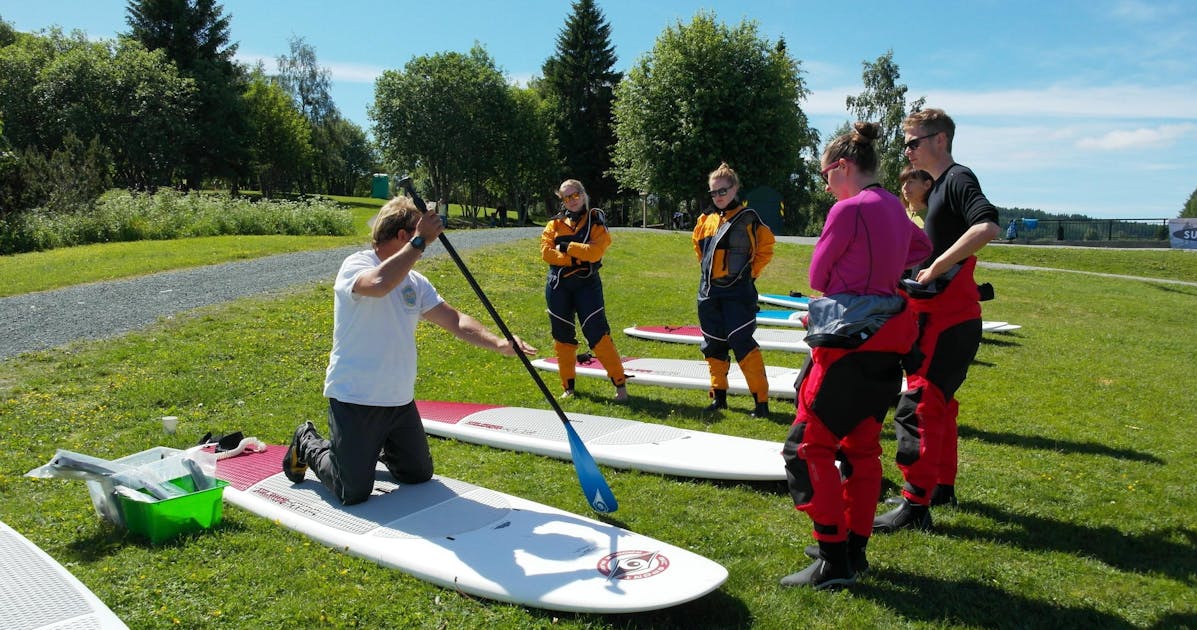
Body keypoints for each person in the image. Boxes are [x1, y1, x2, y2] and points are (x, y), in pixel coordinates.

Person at [282, 196, 538, 505]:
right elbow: (378, 284)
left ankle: (366, 448)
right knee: (352, 491)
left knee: (417, 473)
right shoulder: (358, 264)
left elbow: (454, 319)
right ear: (404, 235)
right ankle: (307, 440)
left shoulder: (415, 282)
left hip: (398, 400)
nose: (426, 245)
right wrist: (420, 240)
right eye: (419, 236)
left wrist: (498, 342)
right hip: (355, 398)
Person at [779, 123, 931, 589]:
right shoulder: (892, 204)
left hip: (848, 343)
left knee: (807, 448)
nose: (826, 187)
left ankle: (833, 559)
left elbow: (819, 273)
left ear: (843, 167)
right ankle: (854, 549)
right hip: (889, 339)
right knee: (862, 448)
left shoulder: (849, 208)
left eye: (826, 177)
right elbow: (922, 248)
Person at [873, 108, 1000, 532]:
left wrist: (936, 266)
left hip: (951, 320)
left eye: (912, 142)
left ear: (939, 139)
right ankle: (940, 487)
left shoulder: (959, 179)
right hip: (940, 317)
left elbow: (987, 226)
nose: (906, 150)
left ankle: (915, 506)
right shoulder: (940, 187)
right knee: (940, 408)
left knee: (920, 407)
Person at [692, 162, 776, 417]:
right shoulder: (705, 220)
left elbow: (766, 248)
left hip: (738, 295)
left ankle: (761, 402)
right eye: (713, 193)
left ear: (735, 188)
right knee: (714, 345)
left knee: (742, 344)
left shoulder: (749, 219)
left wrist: (750, 274)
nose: (718, 197)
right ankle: (719, 397)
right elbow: (699, 249)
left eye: (723, 191)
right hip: (709, 294)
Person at [541, 179, 629, 402]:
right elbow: (546, 253)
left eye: (574, 195)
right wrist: (573, 259)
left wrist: (566, 246)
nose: (571, 201)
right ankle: (568, 387)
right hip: (558, 285)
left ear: (583, 193)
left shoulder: (595, 221)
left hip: (587, 285)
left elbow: (595, 253)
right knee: (562, 337)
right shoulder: (554, 224)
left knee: (598, 335)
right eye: (565, 197)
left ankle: (620, 386)